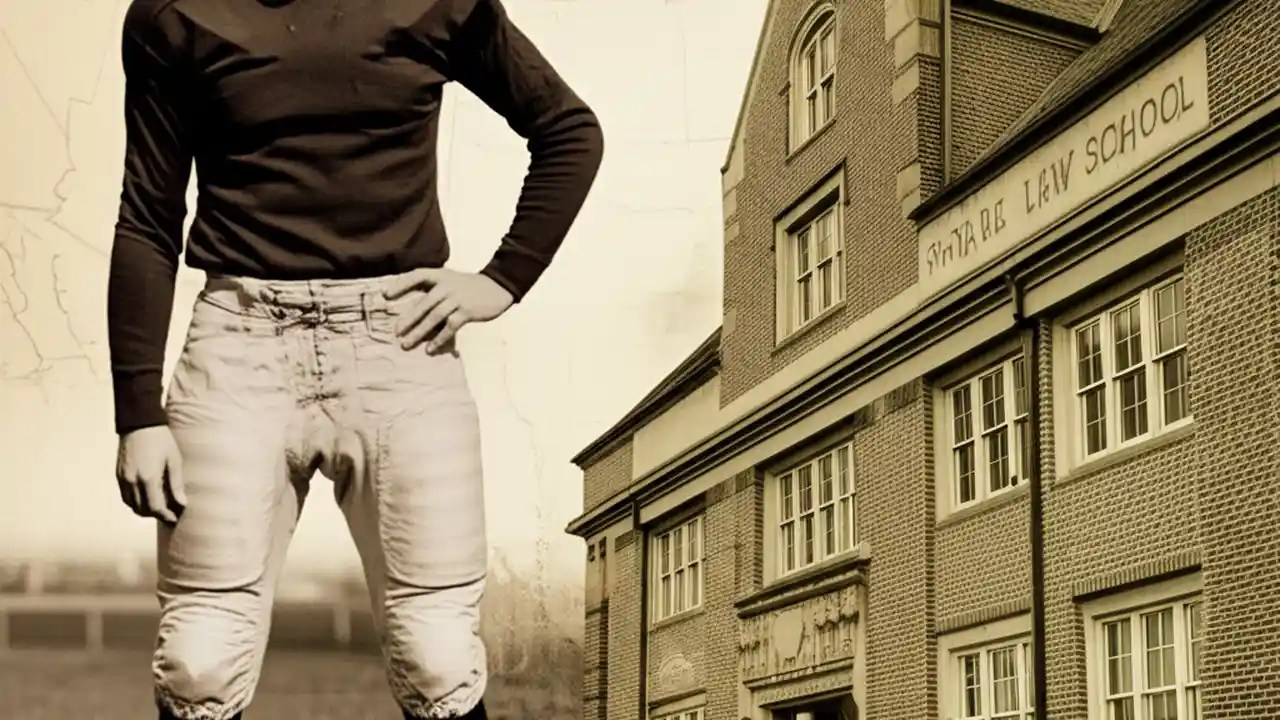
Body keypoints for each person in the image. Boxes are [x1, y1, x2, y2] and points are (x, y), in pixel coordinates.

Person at [106, 0, 604, 717]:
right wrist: (137, 414)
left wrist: (504, 278)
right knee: (197, 664)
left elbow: (567, 129)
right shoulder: (174, 13)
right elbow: (148, 216)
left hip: (399, 348)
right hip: (239, 349)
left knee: (439, 660)